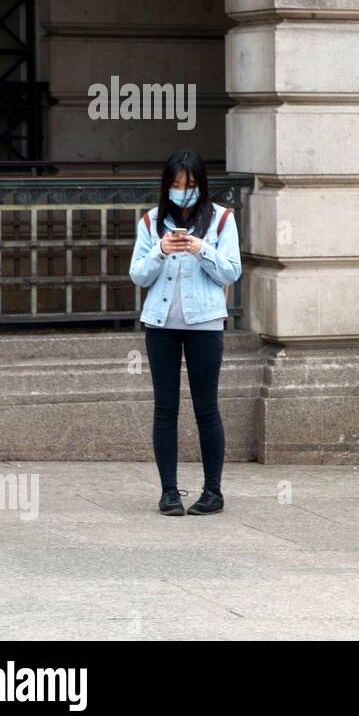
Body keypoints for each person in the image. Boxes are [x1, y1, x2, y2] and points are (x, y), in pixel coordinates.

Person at [129, 150, 242, 516]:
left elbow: (231, 273)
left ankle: (213, 492)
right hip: (160, 325)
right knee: (165, 408)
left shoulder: (223, 220)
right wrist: (160, 250)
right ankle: (169, 492)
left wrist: (202, 249)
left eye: (189, 185)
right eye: (176, 185)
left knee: (206, 408)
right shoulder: (150, 222)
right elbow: (138, 276)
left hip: (205, 324)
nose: (182, 192)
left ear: (200, 185)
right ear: (167, 187)